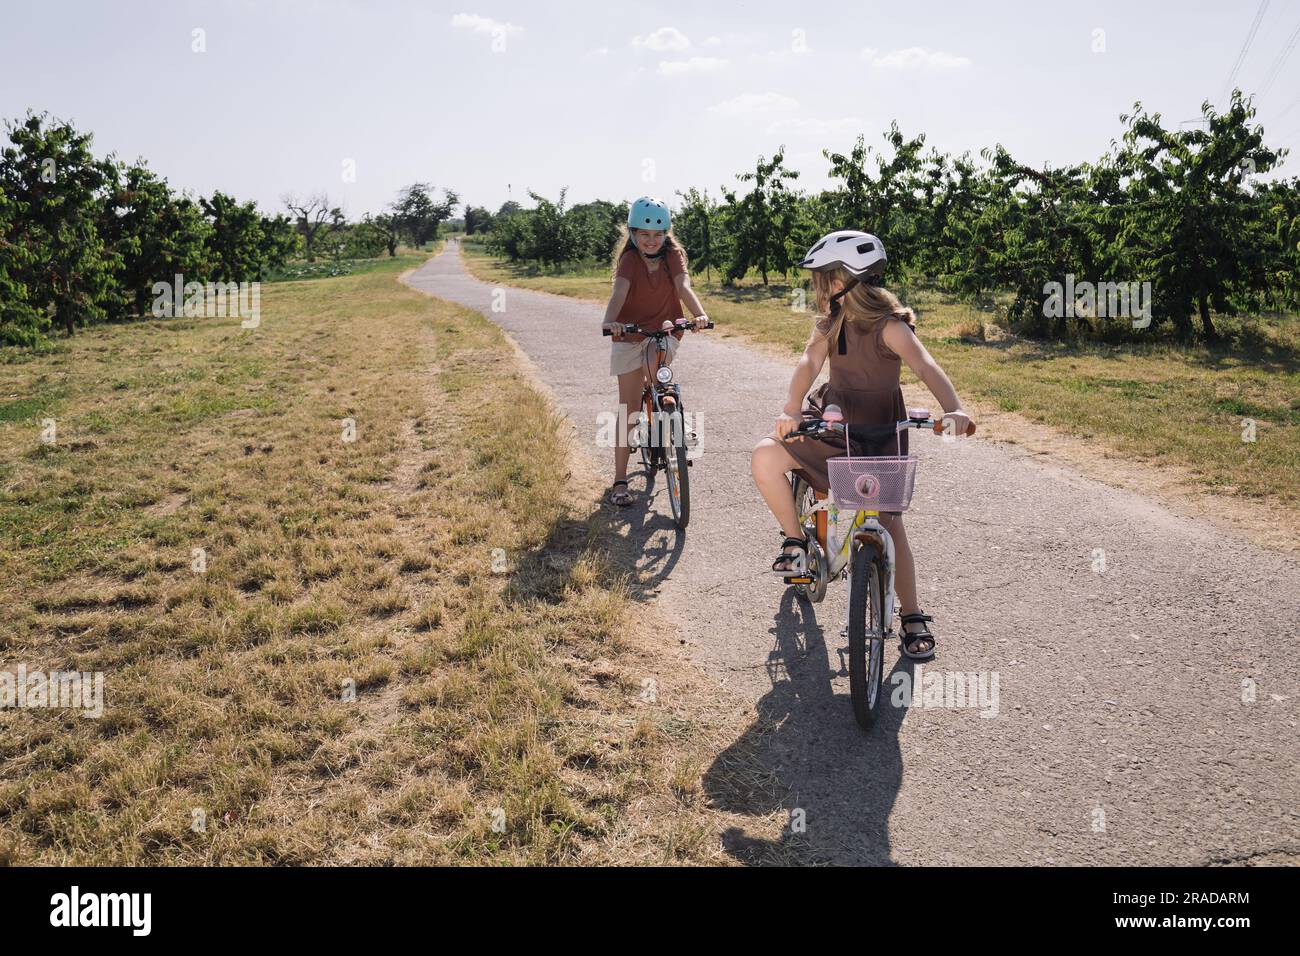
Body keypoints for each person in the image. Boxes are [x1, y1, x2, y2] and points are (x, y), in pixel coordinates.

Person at [749, 229, 973, 660]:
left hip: (878, 436)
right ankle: (796, 542)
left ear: (842, 280)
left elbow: (926, 366)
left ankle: (910, 613)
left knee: (889, 525)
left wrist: (954, 409)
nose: (817, 287)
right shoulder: (831, 324)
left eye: (822, 278)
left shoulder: (890, 328)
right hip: (836, 428)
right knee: (765, 456)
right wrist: (792, 407)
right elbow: (808, 362)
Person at [599, 197, 710, 507]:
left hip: (663, 329)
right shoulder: (630, 260)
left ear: (666, 233)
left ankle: (675, 417)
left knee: (655, 367)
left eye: (658, 234)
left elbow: (684, 286)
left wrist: (699, 314)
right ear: (633, 234)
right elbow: (619, 292)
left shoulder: (673, 255)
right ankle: (620, 480)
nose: (651, 241)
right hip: (629, 333)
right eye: (644, 235)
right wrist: (611, 322)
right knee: (629, 410)